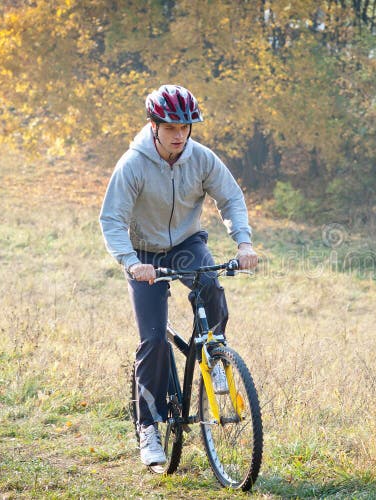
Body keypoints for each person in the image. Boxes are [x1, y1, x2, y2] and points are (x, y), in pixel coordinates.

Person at [99, 84, 258, 467]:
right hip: (144, 253)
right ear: (153, 126)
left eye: (185, 127)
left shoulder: (201, 159)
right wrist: (131, 261)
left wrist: (244, 244)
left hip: (186, 244)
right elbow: (112, 219)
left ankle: (214, 356)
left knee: (211, 287)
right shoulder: (133, 164)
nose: (179, 135)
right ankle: (149, 428)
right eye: (170, 126)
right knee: (153, 340)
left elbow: (231, 198)